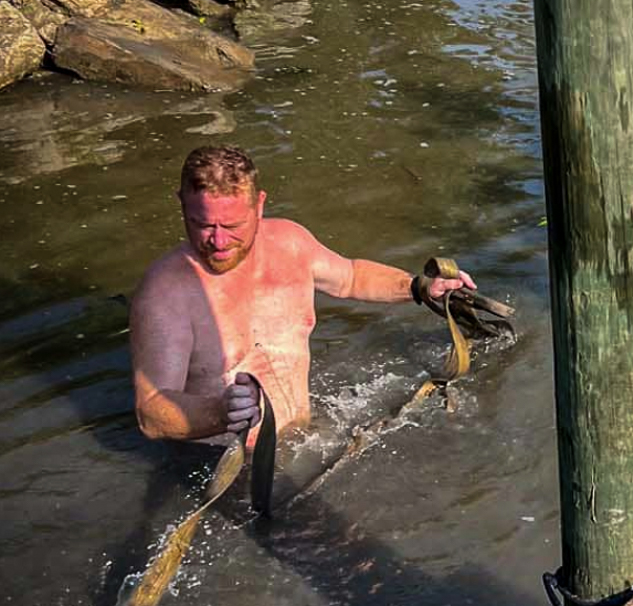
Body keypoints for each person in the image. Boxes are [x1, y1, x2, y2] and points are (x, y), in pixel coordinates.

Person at [131, 145, 474, 445]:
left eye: (233, 227)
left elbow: (351, 278)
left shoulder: (291, 243)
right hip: (225, 466)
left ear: (259, 205)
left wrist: (421, 288)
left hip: (307, 439)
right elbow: (151, 412)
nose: (218, 242)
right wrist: (221, 412)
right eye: (203, 224)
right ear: (181, 204)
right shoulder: (166, 293)